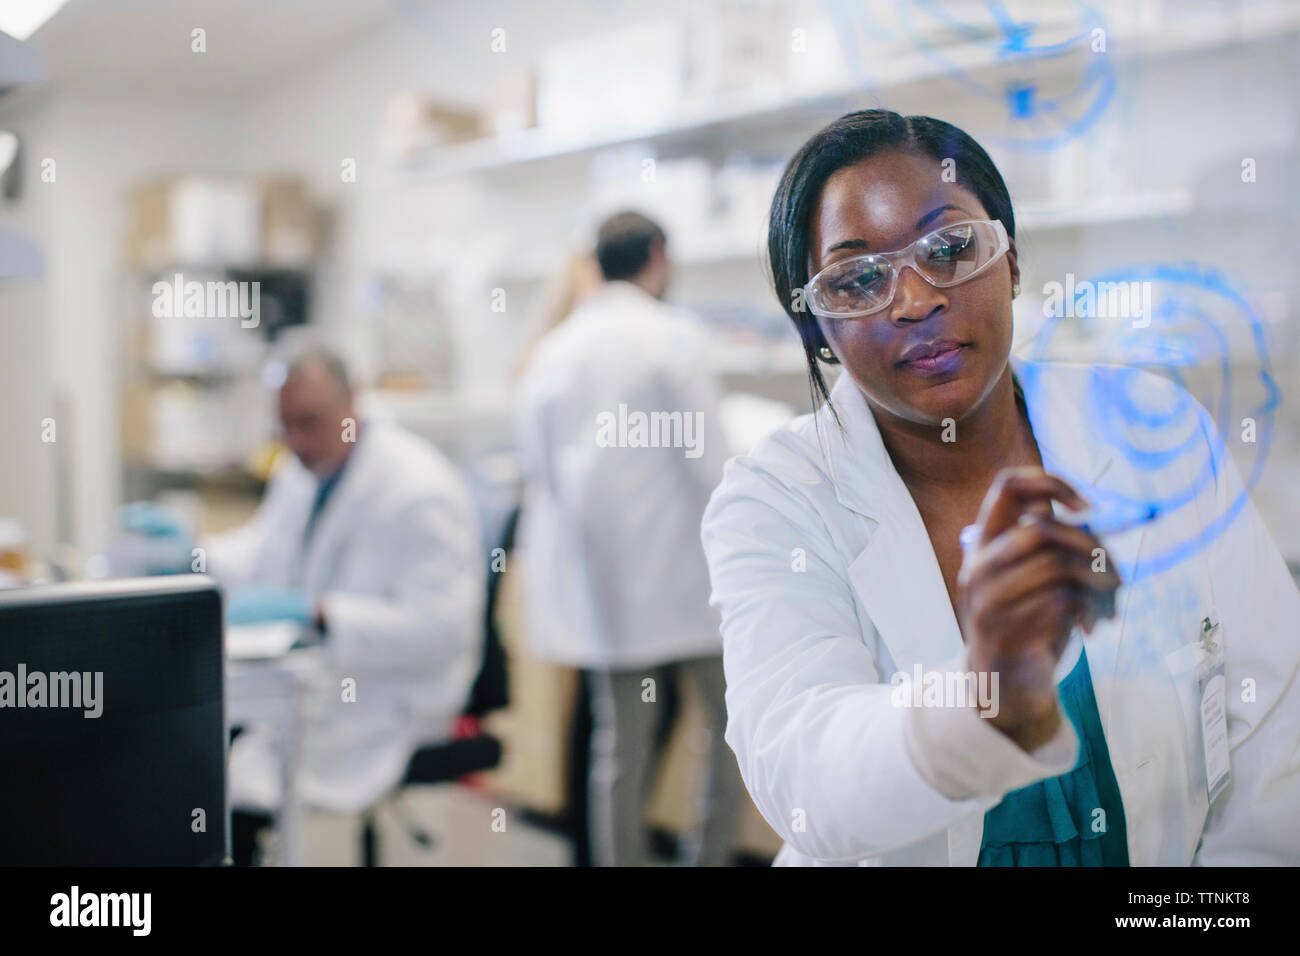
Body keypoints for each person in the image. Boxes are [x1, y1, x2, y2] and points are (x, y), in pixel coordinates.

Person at [700, 110, 1300, 866]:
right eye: (857, 279)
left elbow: (1278, 733)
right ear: (820, 326)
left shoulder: (1153, 426)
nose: (914, 301)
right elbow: (804, 780)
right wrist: (983, 703)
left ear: (1011, 262)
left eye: (950, 248)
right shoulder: (773, 502)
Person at [514, 211, 744, 866]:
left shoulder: (557, 348)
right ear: (657, 255)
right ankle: (710, 855)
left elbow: (538, 468)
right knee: (732, 725)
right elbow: (712, 463)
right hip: (689, 579)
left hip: (605, 584)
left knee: (621, 745)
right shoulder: (673, 335)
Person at [205, 349, 483, 863]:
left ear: (353, 401)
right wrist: (196, 556)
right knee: (211, 761)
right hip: (319, 679)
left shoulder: (420, 488)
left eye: (310, 422)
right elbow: (265, 550)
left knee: (236, 779)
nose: (297, 441)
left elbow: (444, 631)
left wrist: (322, 614)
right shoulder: (305, 468)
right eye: (285, 425)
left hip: (392, 695)